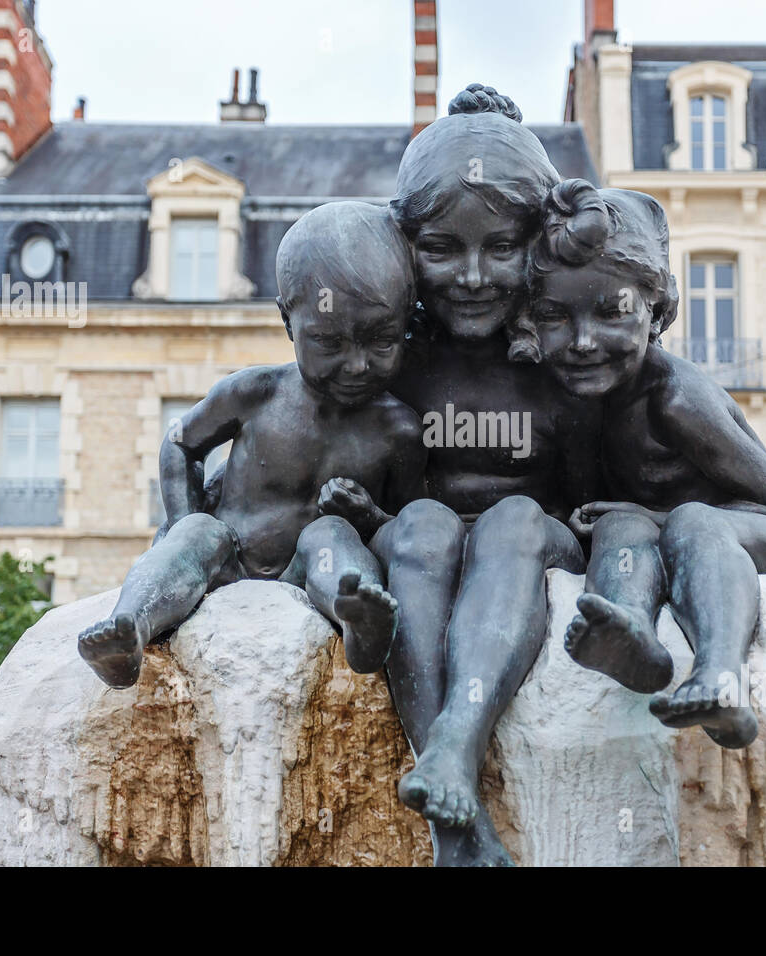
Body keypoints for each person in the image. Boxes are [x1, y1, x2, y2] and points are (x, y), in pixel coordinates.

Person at [335, 84, 599, 867]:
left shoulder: (567, 354)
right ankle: (458, 819)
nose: (475, 276)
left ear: (541, 242)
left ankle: (454, 739)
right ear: (404, 247)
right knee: (419, 525)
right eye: (442, 249)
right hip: (423, 543)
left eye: (501, 247)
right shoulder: (391, 359)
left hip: (534, 543)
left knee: (515, 520)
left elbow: (600, 487)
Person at [528, 179, 766, 748]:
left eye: (612, 313)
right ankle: (628, 631)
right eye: (557, 317)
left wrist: (657, 518)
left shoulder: (676, 398)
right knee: (620, 524)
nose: (583, 341)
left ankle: (721, 679)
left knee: (689, 522)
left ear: (658, 311)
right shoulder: (581, 403)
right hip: (694, 537)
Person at [77, 201, 425, 688]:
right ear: (288, 323)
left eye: (380, 343)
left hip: (307, 573)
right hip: (227, 562)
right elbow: (181, 444)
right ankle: (130, 627)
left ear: (406, 325)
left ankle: (358, 619)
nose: (357, 365)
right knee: (202, 535)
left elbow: (408, 528)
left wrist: (369, 516)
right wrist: (184, 523)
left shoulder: (399, 431)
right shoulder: (255, 392)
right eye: (329, 343)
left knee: (330, 537)